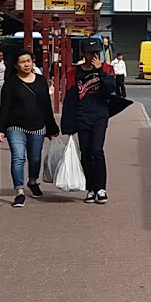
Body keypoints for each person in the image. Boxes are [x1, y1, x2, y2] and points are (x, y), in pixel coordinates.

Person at [0, 51, 59, 208]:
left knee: (35, 158)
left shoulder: (41, 81)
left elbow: (46, 106)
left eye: (28, 61)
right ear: (16, 65)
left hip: (37, 125)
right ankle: (19, 191)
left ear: (33, 62)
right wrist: (1, 129)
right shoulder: (11, 83)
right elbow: (5, 107)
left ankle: (32, 181)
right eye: (22, 62)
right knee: (18, 157)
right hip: (15, 126)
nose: (26, 64)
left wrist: (51, 126)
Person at [60, 37, 117, 204]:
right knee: (85, 152)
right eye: (89, 53)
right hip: (82, 115)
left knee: (97, 150)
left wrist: (100, 71)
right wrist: (67, 124)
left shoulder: (107, 69)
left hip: (100, 115)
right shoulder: (73, 72)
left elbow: (110, 90)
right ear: (83, 54)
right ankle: (90, 188)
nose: (92, 56)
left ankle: (101, 188)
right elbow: (70, 99)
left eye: (95, 53)